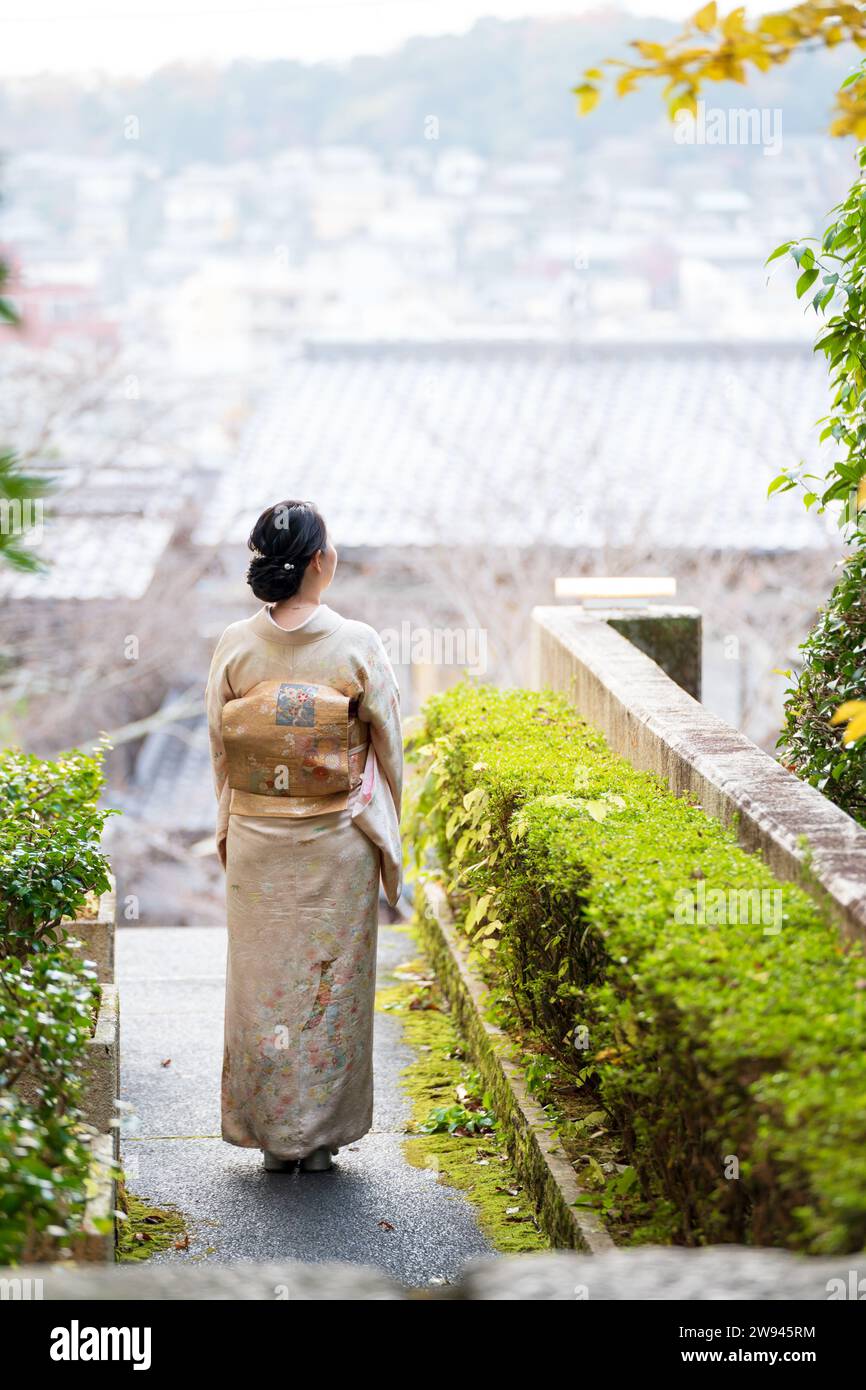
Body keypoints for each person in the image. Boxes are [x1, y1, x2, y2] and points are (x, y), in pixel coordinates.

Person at [205, 500, 402, 1173]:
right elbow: (389, 746)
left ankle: (270, 1136)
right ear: (320, 561)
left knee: (261, 987)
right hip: (337, 841)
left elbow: (221, 749)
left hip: (258, 840)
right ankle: (319, 1139)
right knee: (332, 986)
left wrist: (232, 822)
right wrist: (389, 830)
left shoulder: (236, 643)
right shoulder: (356, 643)